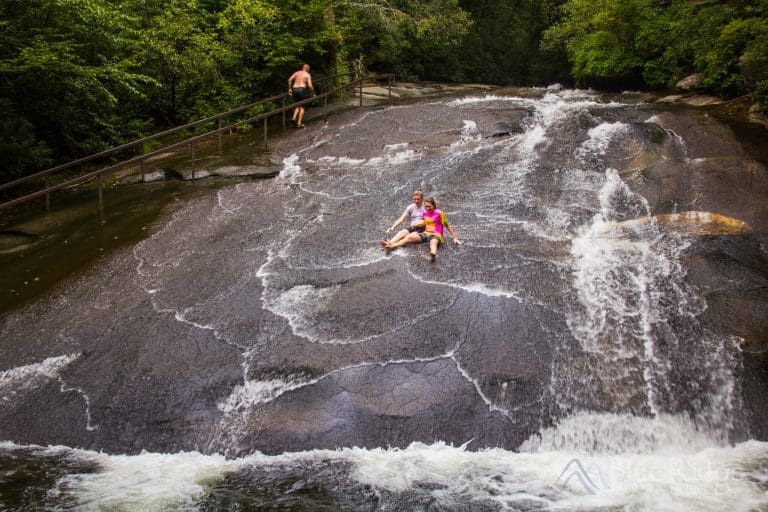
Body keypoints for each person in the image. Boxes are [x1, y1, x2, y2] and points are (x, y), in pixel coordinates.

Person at [381, 197, 461, 262]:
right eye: (426, 206)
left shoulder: (439, 213)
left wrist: (455, 238)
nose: (428, 208)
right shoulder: (424, 213)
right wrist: (415, 224)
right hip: (426, 234)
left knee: (433, 243)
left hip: (436, 235)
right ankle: (392, 246)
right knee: (410, 237)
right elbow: (423, 222)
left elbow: (447, 225)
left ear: (434, 205)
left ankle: (433, 254)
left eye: (429, 206)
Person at [288, 64, 315, 128]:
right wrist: (313, 93)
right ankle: (299, 123)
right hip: (302, 90)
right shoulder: (307, 75)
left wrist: (289, 88)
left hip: (294, 89)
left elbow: (289, 79)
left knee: (297, 104)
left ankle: (294, 118)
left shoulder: (297, 72)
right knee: (302, 107)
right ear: (308, 69)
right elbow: (310, 86)